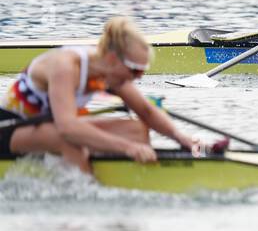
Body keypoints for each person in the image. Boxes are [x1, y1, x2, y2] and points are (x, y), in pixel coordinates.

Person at [0, 17, 206, 173]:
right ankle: (87, 191)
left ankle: (115, 174)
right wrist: (128, 148)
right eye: (134, 70)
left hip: (44, 129)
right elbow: (67, 128)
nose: (138, 78)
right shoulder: (66, 66)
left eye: (143, 71)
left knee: (137, 131)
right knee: (72, 139)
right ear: (111, 58)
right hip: (9, 130)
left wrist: (182, 138)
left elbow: (146, 111)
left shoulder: (110, 73)